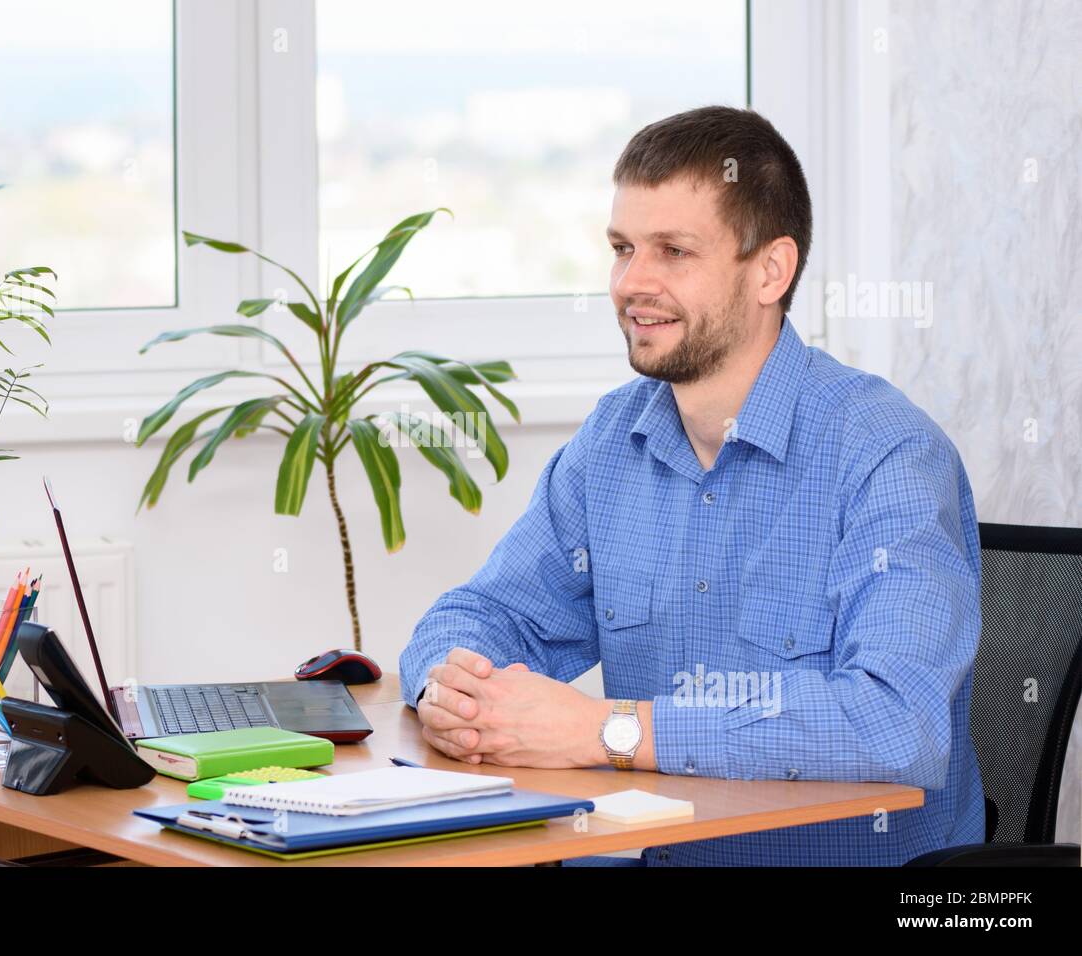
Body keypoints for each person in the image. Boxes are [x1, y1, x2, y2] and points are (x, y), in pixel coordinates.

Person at [398, 105, 984, 866]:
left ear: (771, 270)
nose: (630, 284)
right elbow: (483, 613)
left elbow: (896, 721)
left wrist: (607, 730)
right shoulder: (613, 441)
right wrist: (453, 690)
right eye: (622, 249)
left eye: (673, 251)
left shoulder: (887, 455)